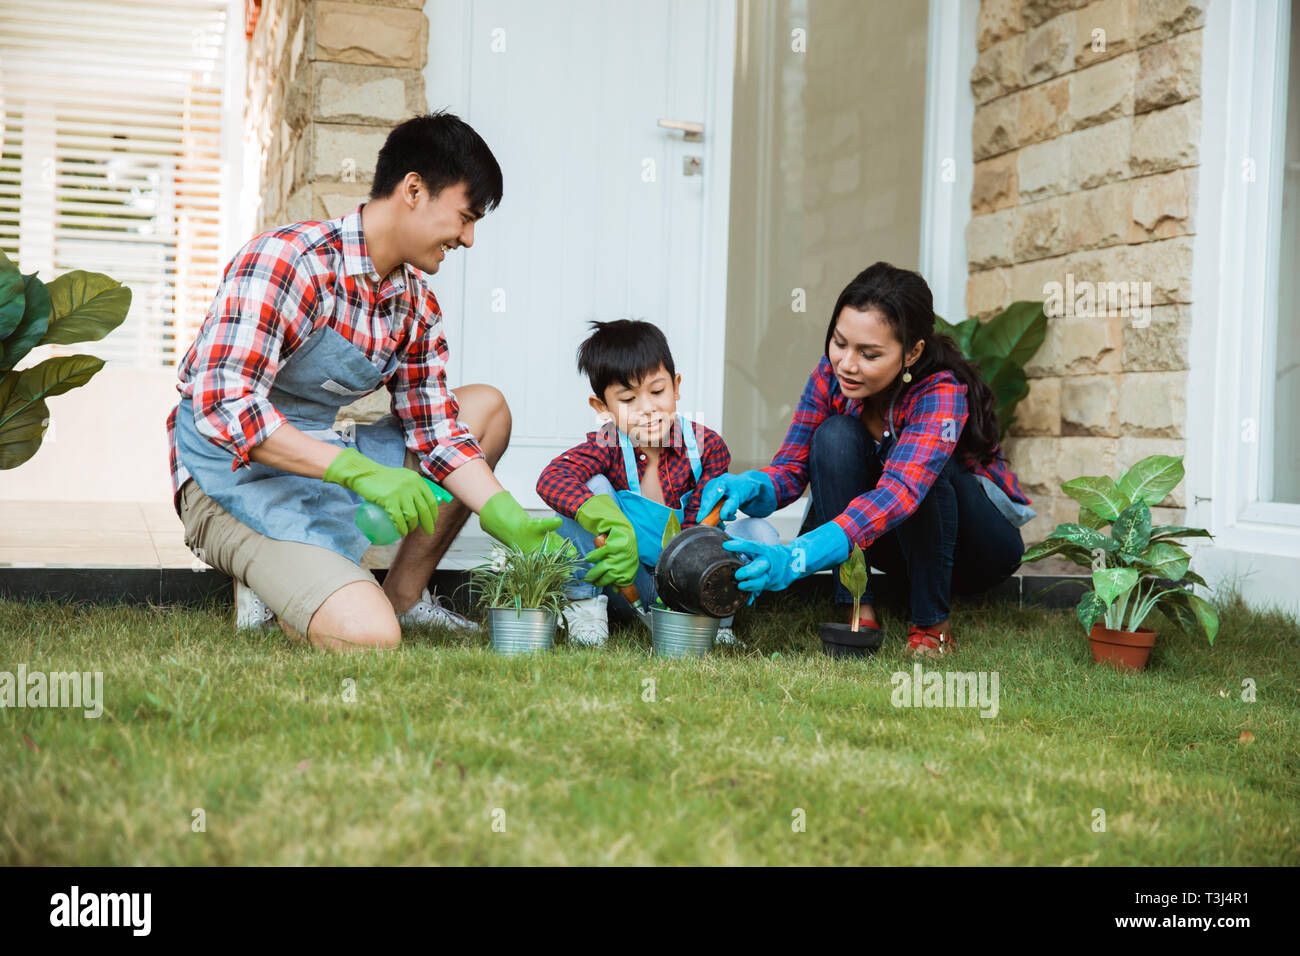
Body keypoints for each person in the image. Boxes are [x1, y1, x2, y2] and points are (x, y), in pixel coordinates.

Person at [166, 112, 560, 652]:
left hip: (323, 455)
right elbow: (224, 404)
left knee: (484, 408)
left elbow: (438, 431)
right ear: (414, 190)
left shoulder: (415, 304)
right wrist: (357, 472)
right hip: (229, 475)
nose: (468, 240)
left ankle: (400, 597)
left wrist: (503, 513)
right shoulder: (289, 261)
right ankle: (282, 579)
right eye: (465, 218)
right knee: (368, 637)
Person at [698, 262, 1036, 658]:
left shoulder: (939, 392)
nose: (847, 363)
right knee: (833, 436)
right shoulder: (831, 376)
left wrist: (796, 557)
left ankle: (932, 625)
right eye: (840, 343)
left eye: (869, 353)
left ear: (912, 352)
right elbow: (791, 469)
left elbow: (900, 494)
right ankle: (858, 609)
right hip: (895, 540)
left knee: (929, 473)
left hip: (974, 549)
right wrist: (749, 487)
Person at [536, 320, 778, 646]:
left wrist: (694, 582)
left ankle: (717, 620)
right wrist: (602, 516)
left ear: (676, 387)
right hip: (626, 581)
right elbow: (552, 478)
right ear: (602, 408)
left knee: (761, 533)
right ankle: (585, 609)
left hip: (692, 582)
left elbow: (703, 530)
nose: (647, 409)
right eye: (628, 399)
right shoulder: (606, 445)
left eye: (657, 391)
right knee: (587, 488)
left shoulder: (706, 447)